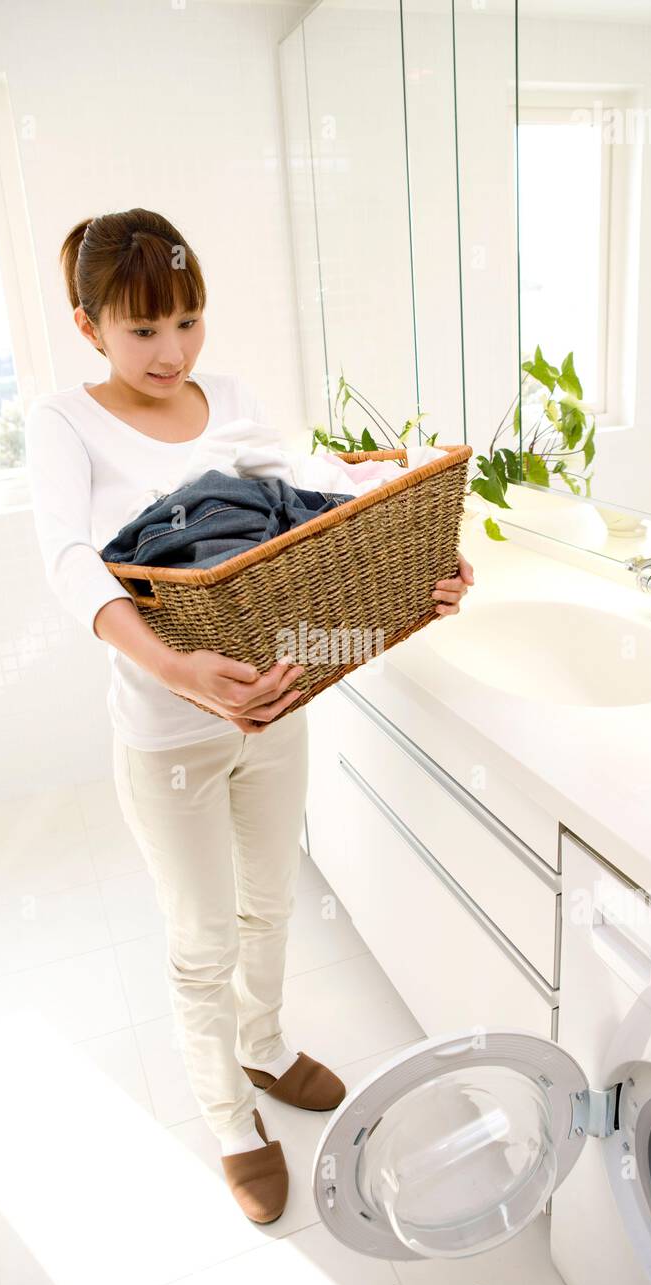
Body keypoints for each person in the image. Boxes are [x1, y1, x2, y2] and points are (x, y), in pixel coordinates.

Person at [25, 207, 474, 1223]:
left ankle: (263, 1047)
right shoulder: (64, 421)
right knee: (200, 941)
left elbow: (315, 498)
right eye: (142, 330)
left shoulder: (229, 398)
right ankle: (228, 1112)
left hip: (274, 711)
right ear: (89, 324)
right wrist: (178, 669)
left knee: (268, 905)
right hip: (167, 737)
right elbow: (67, 561)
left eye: (187, 320)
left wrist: (421, 565)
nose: (170, 350)